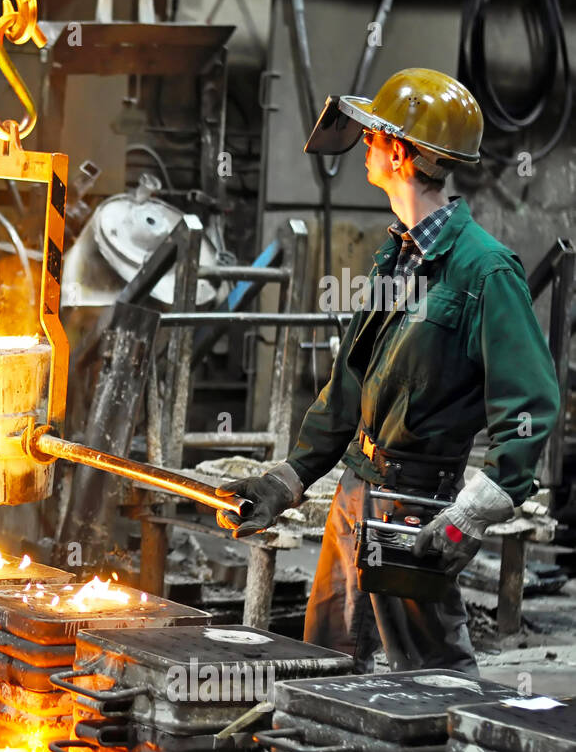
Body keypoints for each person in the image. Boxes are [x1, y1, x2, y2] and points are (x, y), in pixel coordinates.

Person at [217, 68, 560, 673]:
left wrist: (469, 515)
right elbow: (351, 384)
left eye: (375, 135)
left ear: (400, 152)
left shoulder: (484, 271)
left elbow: (531, 405)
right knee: (323, 668)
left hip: (415, 507)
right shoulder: (398, 256)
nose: (366, 147)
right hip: (356, 491)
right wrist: (289, 477)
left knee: (431, 680)